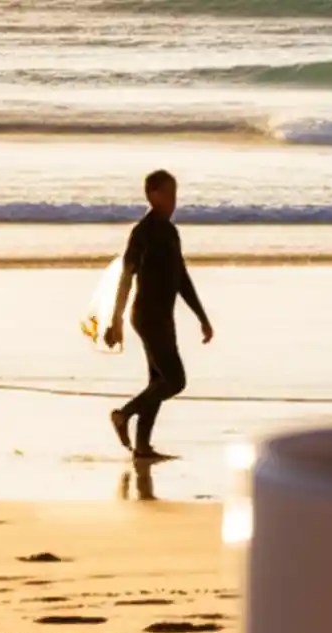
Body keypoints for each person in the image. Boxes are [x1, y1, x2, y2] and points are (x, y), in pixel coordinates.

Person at [105, 170, 213, 459]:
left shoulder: (170, 231)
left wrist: (202, 317)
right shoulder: (143, 232)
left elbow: (181, 278)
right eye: (167, 194)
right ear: (152, 195)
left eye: (175, 194)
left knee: (158, 381)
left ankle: (142, 446)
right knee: (175, 380)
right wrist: (115, 319)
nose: (173, 200)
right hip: (147, 315)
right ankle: (123, 414)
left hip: (162, 316)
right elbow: (126, 275)